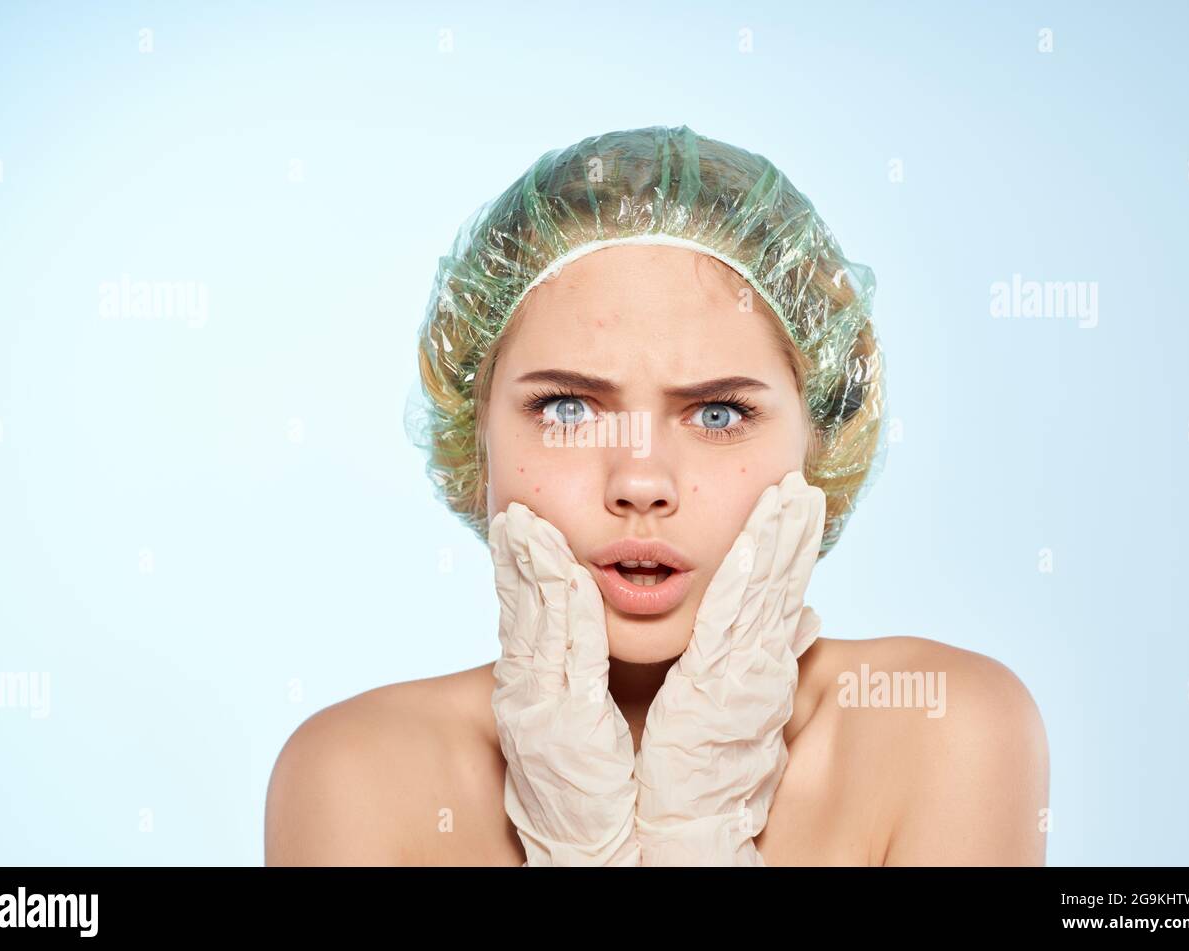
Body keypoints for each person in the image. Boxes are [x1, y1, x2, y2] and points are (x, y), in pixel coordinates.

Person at [264, 125, 1049, 866]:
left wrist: (694, 833)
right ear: (477, 437)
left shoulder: (941, 729)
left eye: (718, 413)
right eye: (567, 408)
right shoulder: (353, 773)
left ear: (818, 443)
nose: (641, 482)